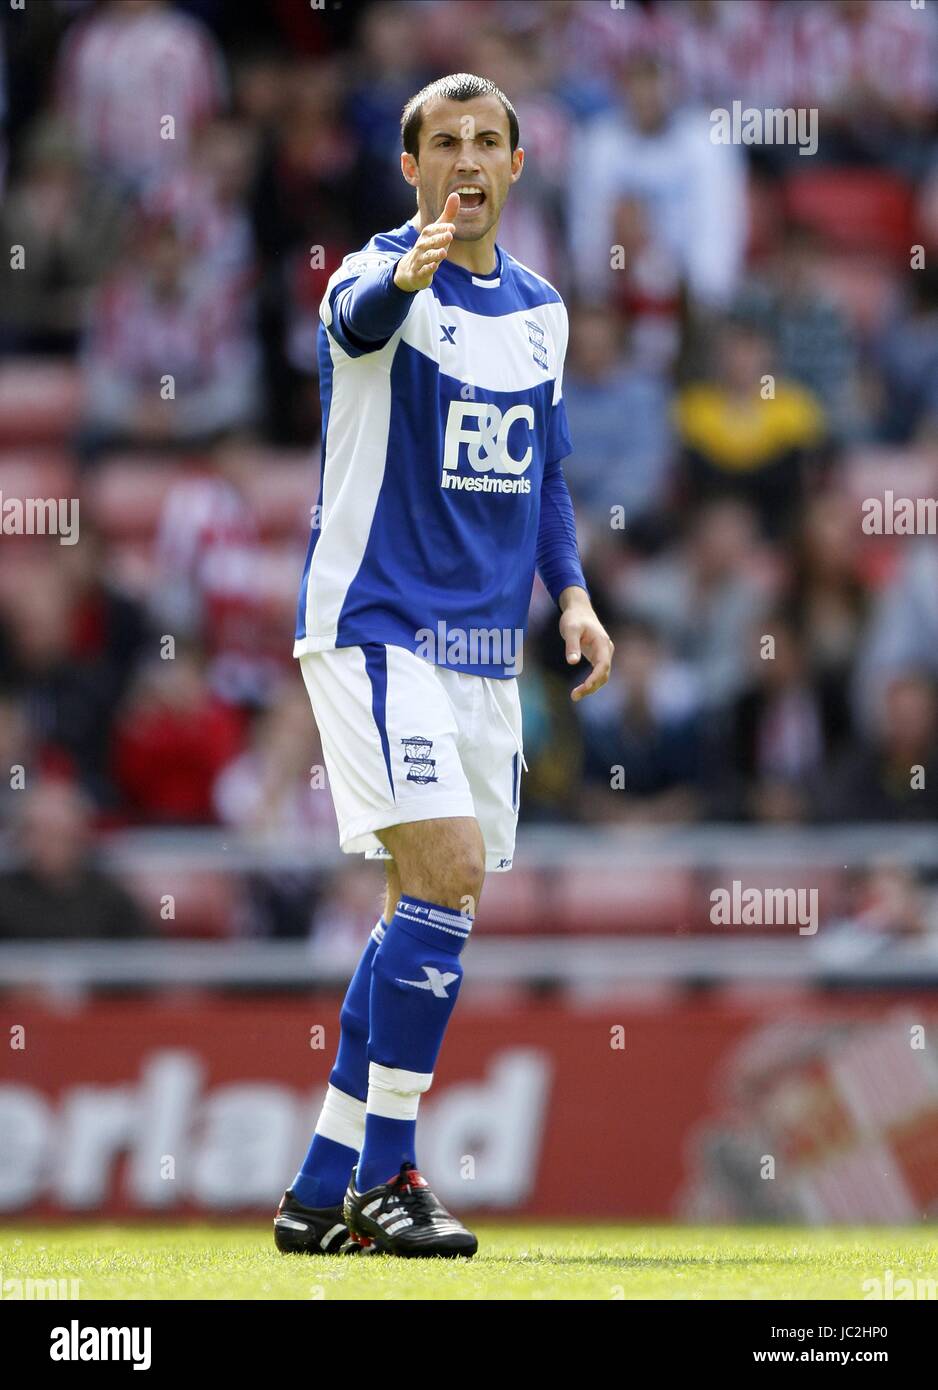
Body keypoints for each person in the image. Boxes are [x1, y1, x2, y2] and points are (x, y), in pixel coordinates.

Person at [275, 73, 613, 1259]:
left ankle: (320, 1184)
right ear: (411, 169)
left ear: (515, 166)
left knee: (430, 904)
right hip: (377, 628)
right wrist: (401, 273)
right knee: (448, 868)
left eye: (487, 141)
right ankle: (389, 1175)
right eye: (443, 143)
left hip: (479, 655)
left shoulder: (540, 313)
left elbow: (548, 475)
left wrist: (569, 594)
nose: (465, 159)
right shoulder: (370, 278)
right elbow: (359, 319)